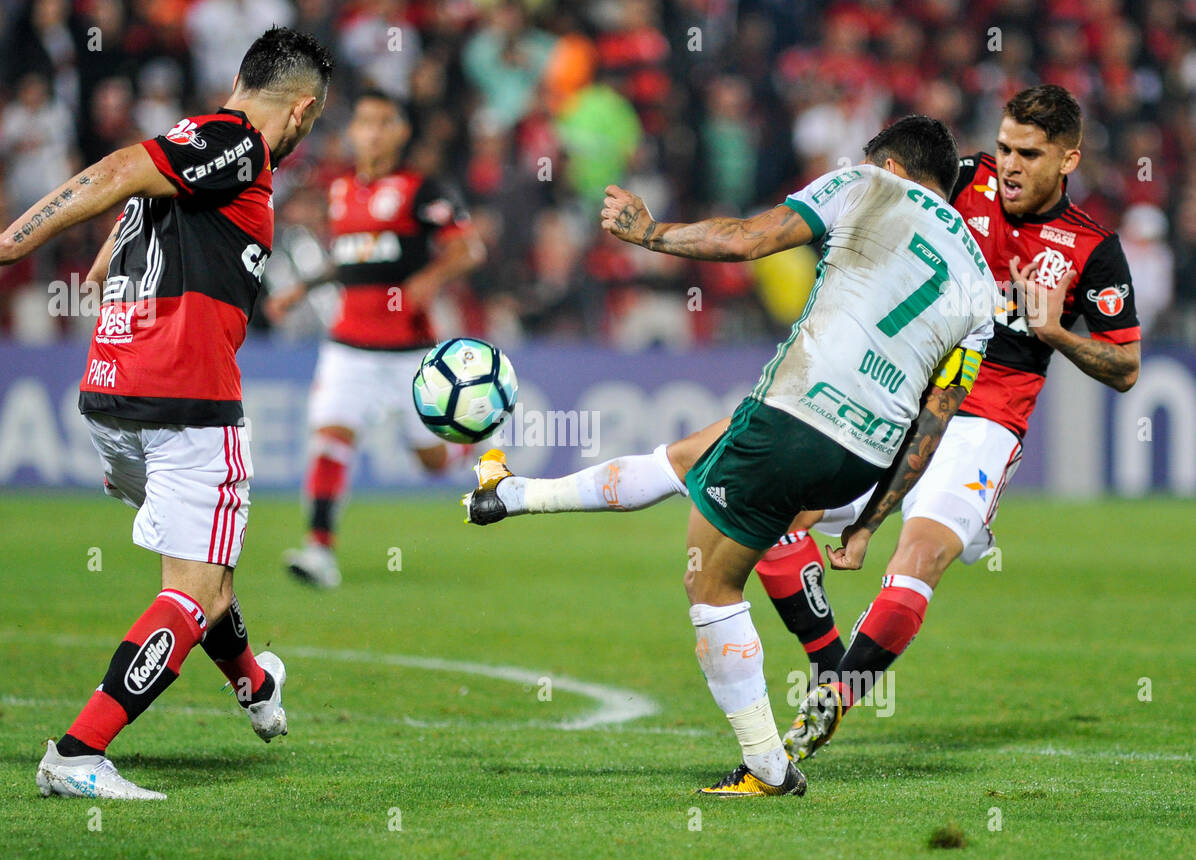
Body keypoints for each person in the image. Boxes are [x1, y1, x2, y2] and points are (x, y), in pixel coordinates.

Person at [468, 115, 997, 796]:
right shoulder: (982, 284)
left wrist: (649, 234)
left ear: (890, 166)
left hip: (798, 414)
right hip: (870, 456)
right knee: (689, 457)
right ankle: (515, 495)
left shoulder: (867, 184)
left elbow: (749, 239)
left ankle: (767, 765)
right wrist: (868, 523)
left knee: (710, 583)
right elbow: (937, 416)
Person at [0, 27, 335, 799]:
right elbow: (117, 168)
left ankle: (253, 682)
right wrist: (10, 245)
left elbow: (112, 258)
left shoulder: (193, 157)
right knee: (195, 588)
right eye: (313, 121)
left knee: (205, 560)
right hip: (185, 396)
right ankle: (77, 751)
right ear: (303, 109)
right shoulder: (236, 142)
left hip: (113, 392)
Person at [772, 84, 1140, 761]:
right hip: (903, 397)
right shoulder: (961, 180)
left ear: (1068, 160)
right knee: (779, 514)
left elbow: (1125, 367)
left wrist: (1054, 330)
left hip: (987, 419)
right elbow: (881, 196)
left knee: (921, 553)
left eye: (1029, 153)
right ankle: (830, 656)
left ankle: (837, 697)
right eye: (1004, 146)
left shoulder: (1091, 249)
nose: (1010, 163)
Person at [267, 89, 485, 589]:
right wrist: (301, 289)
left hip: (410, 351)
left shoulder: (423, 188)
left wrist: (430, 278)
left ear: (402, 132)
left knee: (431, 462)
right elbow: (352, 260)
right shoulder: (342, 189)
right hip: (349, 346)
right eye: (364, 122)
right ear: (352, 132)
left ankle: (467, 442)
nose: (372, 132)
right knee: (330, 436)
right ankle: (320, 550)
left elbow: (469, 248)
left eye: (384, 122)